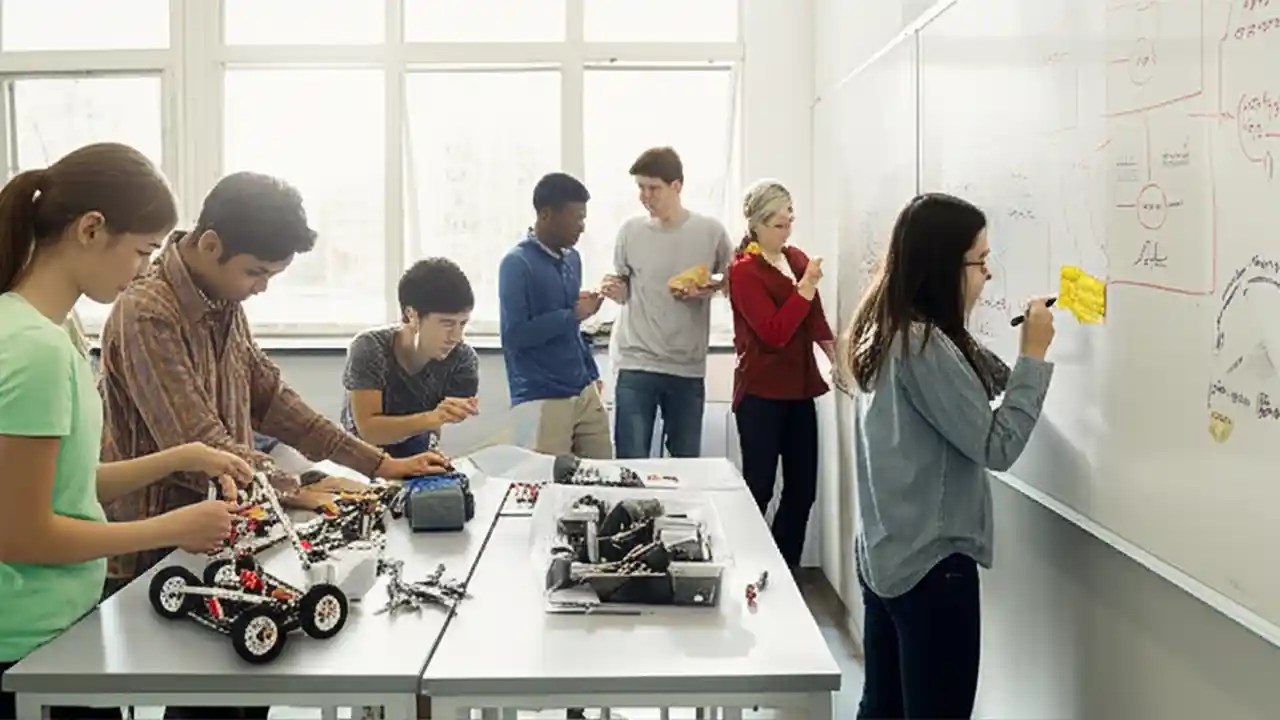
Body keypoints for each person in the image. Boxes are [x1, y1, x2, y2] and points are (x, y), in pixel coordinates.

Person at [96, 171, 449, 720]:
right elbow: (198, 443)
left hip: (227, 529)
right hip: (160, 545)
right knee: (205, 702)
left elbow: (275, 400)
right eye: (256, 272)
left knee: (250, 675)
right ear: (209, 244)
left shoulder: (222, 302)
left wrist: (380, 462)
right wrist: (300, 485)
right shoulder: (147, 312)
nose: (261, 286)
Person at [0, 143, 251, 720]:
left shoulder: (59, 332)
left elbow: (69, 484)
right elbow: (22, 533)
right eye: (142, 252)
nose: (142, 271)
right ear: (91, 230)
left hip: (60, 630)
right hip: (25, 643)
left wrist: (179, 456)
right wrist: (169, 528)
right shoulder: (33, 349)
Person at [842, 193, 1056, 719]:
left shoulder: (888, 325)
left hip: (885, 554)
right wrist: (1034, 356)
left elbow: (974, 383)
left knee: (883, 707)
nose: (987, 275)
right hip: (930, 567)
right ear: (944, 265)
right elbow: (996, 446)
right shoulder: (922, 344)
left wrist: (1020, 361)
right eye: (979, 262)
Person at [727, 179, 834, 569]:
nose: (786, 231)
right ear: (755, 225)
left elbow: (815, 321)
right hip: (761, 393)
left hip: (800, 389)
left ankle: (782, 570)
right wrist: (802, 290)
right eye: (777, 224)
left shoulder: (797, 259)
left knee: (803, 490)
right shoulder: (743, 272)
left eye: (790, 222)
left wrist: (839, 358)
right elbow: (774, 333)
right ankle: (750, 568)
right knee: (758, 487)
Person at [602, 146, 732, 459]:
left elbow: (731, 282)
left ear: (677, 186)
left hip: (686, 368)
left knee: (685, 465)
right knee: (629, 463)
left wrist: (708, 288)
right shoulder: (630, 232)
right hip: (636, 363)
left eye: (653, 188)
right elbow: (625, 286)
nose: (646, 196)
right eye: (640, 188)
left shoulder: (710, 232)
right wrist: (615, 290)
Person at [498, 172, 612, 459]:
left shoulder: (572, 258)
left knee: (604, 475)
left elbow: (572, 329)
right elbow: (515, 337)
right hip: (541, 395)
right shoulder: (516, 264)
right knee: (548, 486)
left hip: (583, 388)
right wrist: (571, 314)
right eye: (577, 218)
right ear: (547, 215)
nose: (582, 227)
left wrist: (591, 373)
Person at [342, 257, 480, 457]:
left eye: (463, 324)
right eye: (447, 323)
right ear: (412, 315)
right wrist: (433, 418)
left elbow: (438, 423)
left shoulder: (462, 358)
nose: (456, 337)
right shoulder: (370, 347)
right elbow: (369, 430)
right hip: (360, 458)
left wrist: (442, 418)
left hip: (417, 452)